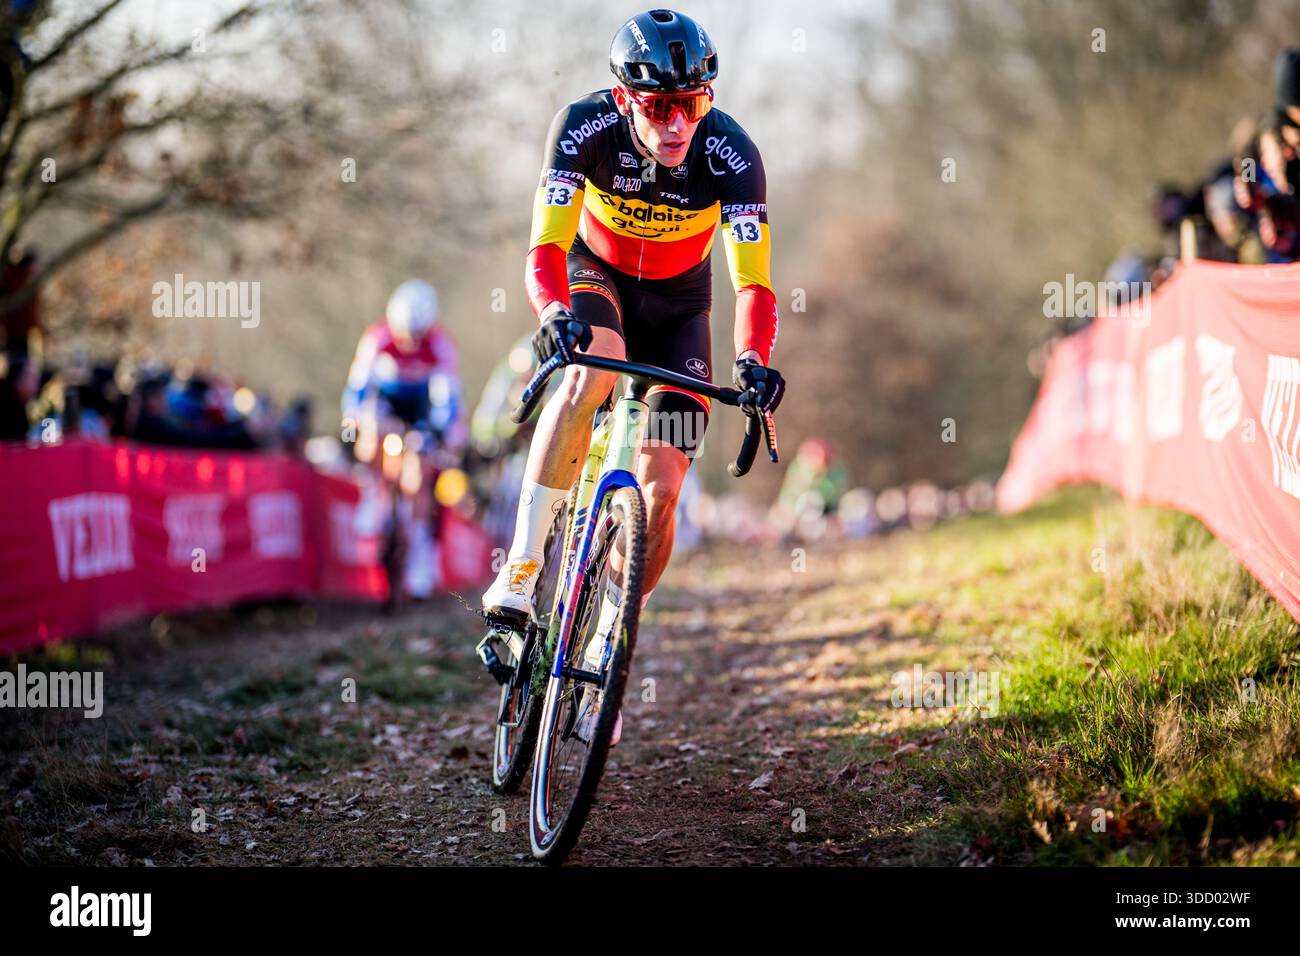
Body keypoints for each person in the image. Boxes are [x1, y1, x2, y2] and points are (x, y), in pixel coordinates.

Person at [480, 10, 786, 740]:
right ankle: (522, 570)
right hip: (597, 278)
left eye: (694, 103)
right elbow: (544, 249)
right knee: (590, 373)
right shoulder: (583, 128)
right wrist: (553, 310)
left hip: (681, 309)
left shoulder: (733, 155)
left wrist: (753, 363)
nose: (678, 123)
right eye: (659, 107)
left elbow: (754, 288)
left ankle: (608, 640)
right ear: (625, 100)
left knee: (664, 482)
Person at [343, 279, 465, 598]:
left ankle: (421, 555)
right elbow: (357, 388)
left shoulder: (440, 345)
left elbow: (449, 398)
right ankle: (374, 491)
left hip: (421, 406)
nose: (410, 342)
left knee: (419, 476)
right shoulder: (378, 337)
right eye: (405, 334)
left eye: (417, 335)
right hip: (387, 400)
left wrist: (446, 433)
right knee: (370, 430)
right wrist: (354, 417)